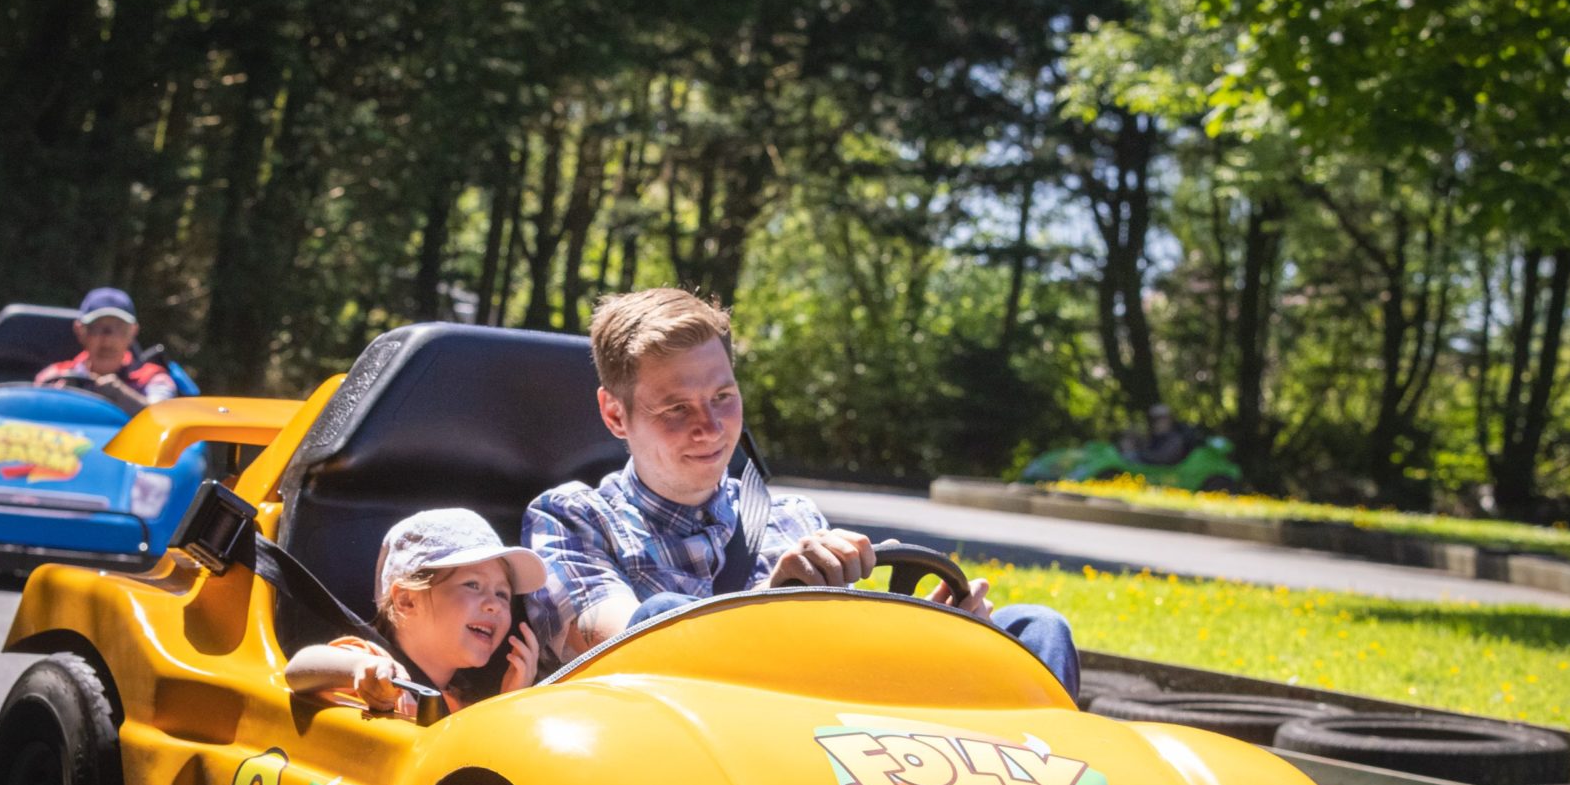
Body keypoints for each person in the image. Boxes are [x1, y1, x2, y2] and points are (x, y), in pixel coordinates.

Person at [522, 287, 1079, 696]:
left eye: (723, 397)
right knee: (668, 615)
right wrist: (769, 602)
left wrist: (932, 628)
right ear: (615, 414)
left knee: (1035, 630)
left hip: (823, 738)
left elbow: (842, 659)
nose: (711, 427)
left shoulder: (792, 520)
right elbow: (620, 647)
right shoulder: (571, 520)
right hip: (682, 755)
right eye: (676, 409)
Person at [285, 509, 545, 719]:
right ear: (407, 601)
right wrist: (359, 669)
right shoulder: (377, 664)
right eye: (472, 585)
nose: (495, 605)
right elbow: (299, 669)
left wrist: (508, 702)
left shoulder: (464, 705)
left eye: (503, 594)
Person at [34, 287, 183, 411]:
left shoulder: (154, 379)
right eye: (97, 328)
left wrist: (120, 394)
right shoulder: (54, 377)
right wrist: (54, 400)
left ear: (133, 332)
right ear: (80, 331)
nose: (108, 340)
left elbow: (162, 420)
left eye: (119, 329)